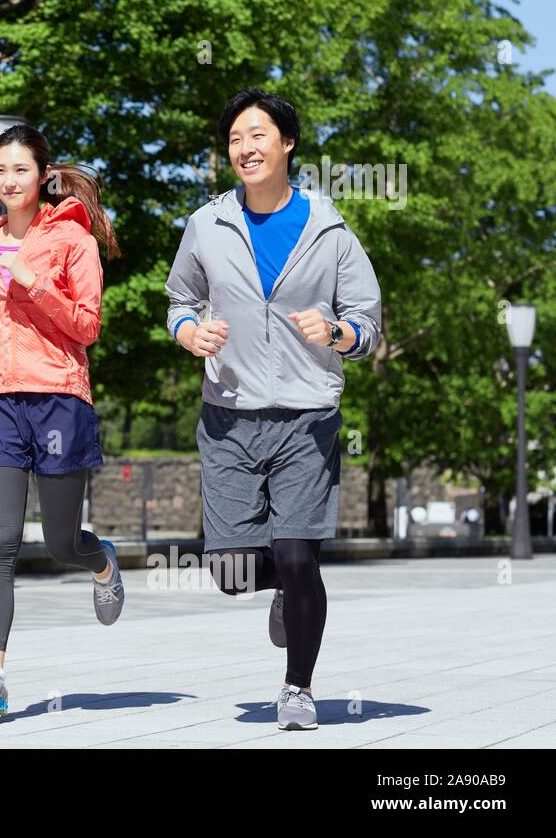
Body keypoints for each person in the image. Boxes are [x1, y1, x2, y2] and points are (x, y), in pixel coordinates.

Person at [164, 89, 382, 730]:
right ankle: (287, 590)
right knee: (231, 573)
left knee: (295, 554)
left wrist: (337, 333)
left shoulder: (331, 230)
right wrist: (188, 333)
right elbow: (180, 296)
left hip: (307, 415)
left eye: (257, 135)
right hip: (228, 414)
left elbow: (368, 325)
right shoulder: (208, 223)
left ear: (287, 144)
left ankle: (297, 688)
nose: (244, 148)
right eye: (234, 139)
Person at [0, 123, 122, 716]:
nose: (8, 181)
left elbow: (88, 326)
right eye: (0, 171)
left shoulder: (74, 241)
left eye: (20, 170)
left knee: (58, 544)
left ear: (42, 175)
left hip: (57, 398)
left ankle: (100, 559)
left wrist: (35, 286)